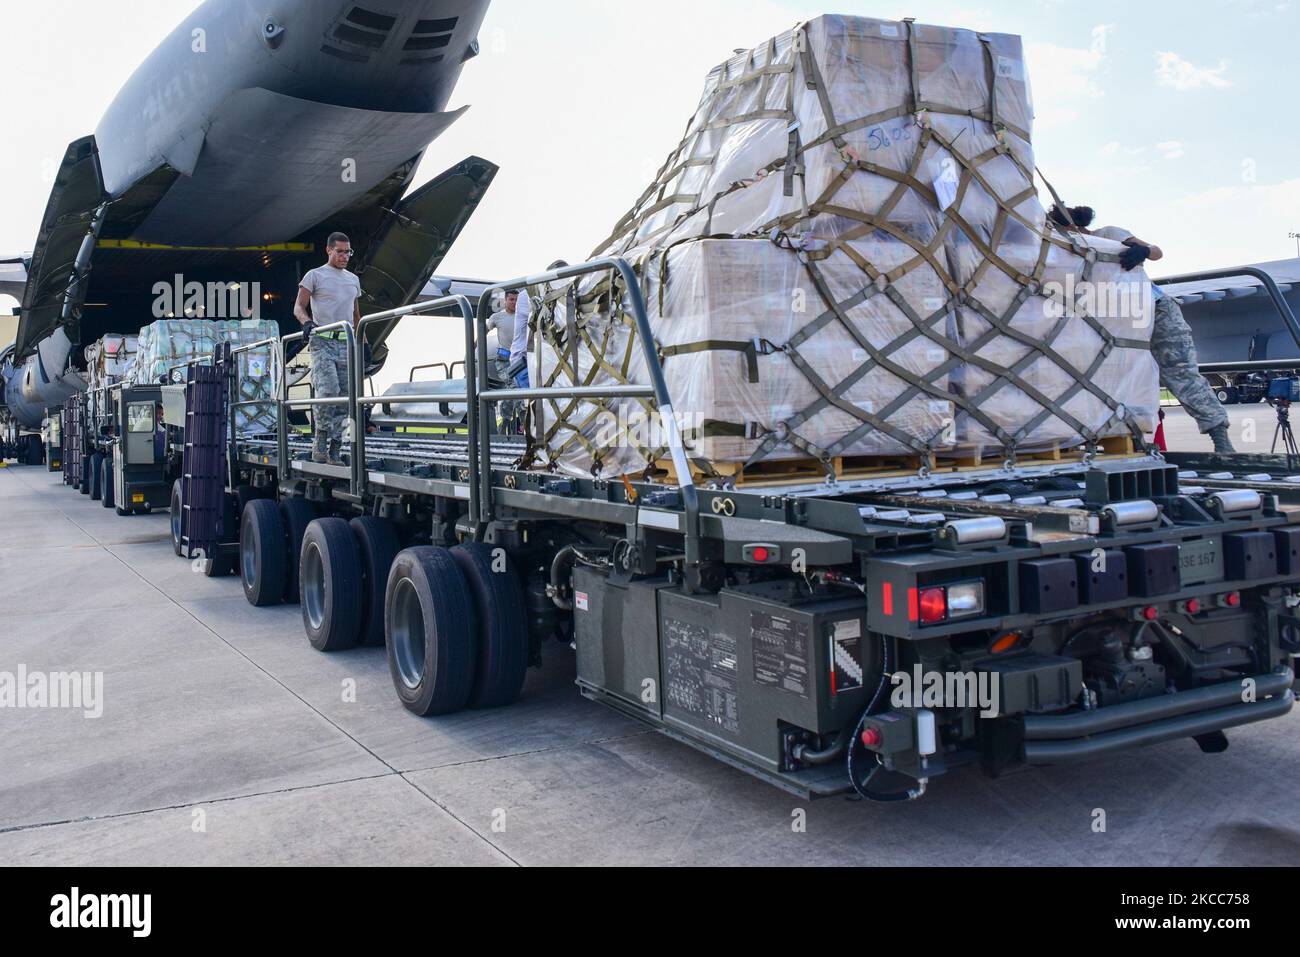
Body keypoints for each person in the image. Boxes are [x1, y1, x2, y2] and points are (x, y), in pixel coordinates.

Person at [1047, 205, 1235, 454]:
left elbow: (1157, 253)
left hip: (1154, 310)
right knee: (1122, 379)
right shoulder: (1065, 254)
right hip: (1118, 321)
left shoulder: (1109, 235)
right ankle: (1134, 439)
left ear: (1073, 226)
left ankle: (1220, 437)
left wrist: (1143, 250)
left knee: (1180, 372)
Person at [295, 232, 362, 464]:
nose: (345, 256)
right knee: (328, 390)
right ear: (329, 250)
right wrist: (306, 323)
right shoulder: (315, 276)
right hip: (322, 340)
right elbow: (298, 307)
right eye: (340, 251)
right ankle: (319, 441)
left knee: (345, 397)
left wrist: (363, 340)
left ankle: (336, 447)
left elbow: (355, 314)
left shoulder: (353, 279)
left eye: (348, 252)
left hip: (346, 341)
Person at [486, 290, 520, 431]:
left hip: (519, 360)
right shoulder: (497, 317)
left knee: (512, 390)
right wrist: (473, 347)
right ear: (505, 300)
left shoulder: (523, 316)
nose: (514, 303)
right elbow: (483, 332)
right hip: (504, 360)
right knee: (514, 387)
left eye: (516, 300)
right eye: (511, 300)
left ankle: (505, 421)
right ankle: (524, 421)